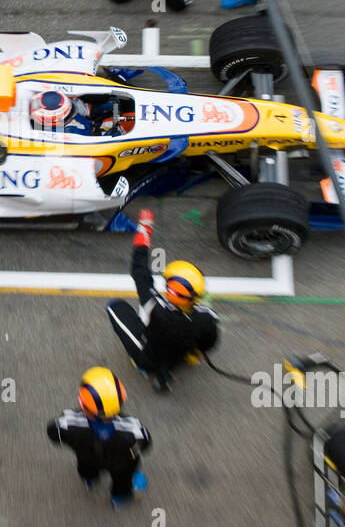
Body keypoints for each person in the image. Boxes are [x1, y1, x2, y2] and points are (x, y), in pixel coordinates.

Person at [105, 209, 218, 391]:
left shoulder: (155, 306)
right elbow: (209, 343)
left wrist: (145, 230)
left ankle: (143, 366)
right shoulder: (208, 318)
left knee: (114, 307)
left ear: (172, 291)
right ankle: (165, 376)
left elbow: (139, 270)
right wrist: (193, 353)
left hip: (150, 355)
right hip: (178, 356)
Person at [47, 366, 151, 508]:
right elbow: (144, 445)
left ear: (82, 404)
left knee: (86, 468)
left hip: (87, 458)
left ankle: (89, 480)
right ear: (121, 401)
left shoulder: (67, 423)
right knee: (123, 480)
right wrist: (129, 454)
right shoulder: (133, 429)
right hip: (121, 464)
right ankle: (119, 499)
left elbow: (54, 434)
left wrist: (74, 442)